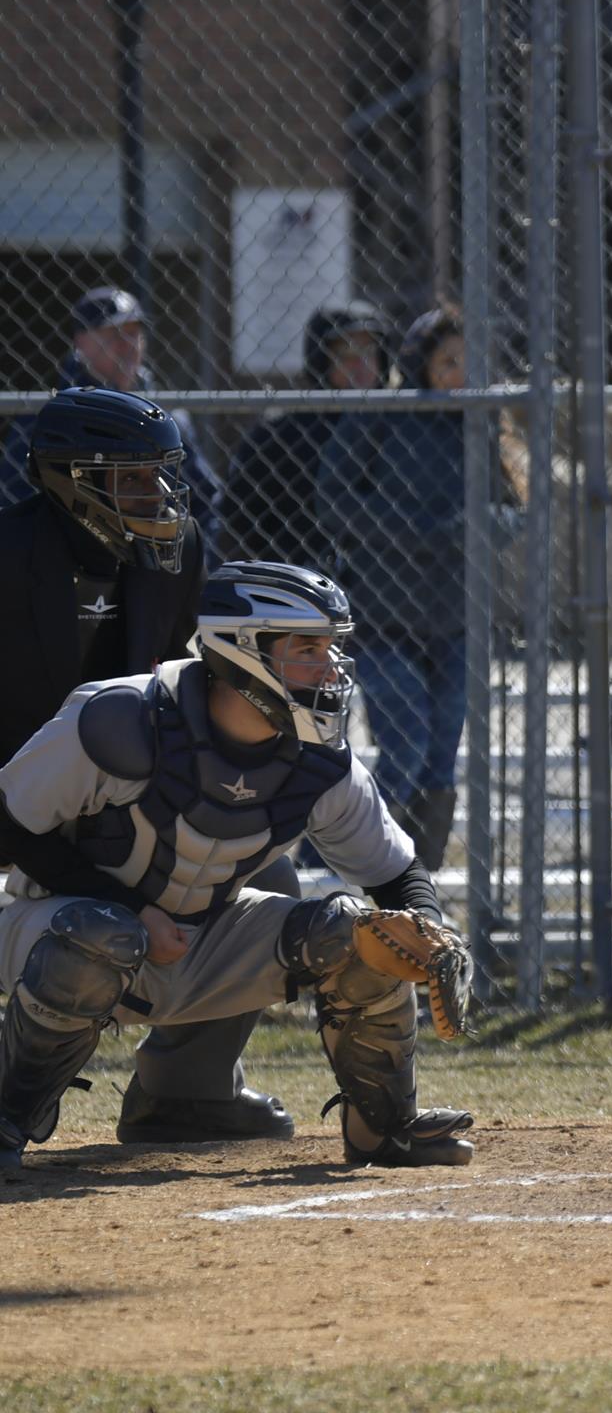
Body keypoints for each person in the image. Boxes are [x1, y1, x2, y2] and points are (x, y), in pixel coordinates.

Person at [0, 561, 474, 1170]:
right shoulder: (121, 718)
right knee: (102, 934)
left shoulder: (318, 755)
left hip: (193, 945)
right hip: (50, 933)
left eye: (331, 648)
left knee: (358, 934)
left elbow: (393, 871)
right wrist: (131, 909)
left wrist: (431, 931)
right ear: (243, 650)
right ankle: (7, 1117)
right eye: (309, 649)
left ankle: (385, 1127)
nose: (331, 668)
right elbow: (8, 823)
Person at [0, 385, 304, 1147]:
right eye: (132, 479)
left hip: (112, 805)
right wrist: (118, 898)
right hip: (12, 803)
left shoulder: (177, 553)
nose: (158, 496)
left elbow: (183, 701)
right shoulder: (6, 559)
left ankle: (184, 1092)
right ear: (72, 482)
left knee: (270, 877)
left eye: (161, 475)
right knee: (89, 925)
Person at [316, 304, 527, 868]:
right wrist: (416, 529)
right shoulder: (383, 416)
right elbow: (333, 501)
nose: (461, 374)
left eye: (471, 362)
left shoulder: (482, 423)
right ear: (420, 365)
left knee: (439, 759)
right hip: (385, 615)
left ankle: (418, 880)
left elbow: (516, 509)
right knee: (405, 743)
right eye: (448, 361)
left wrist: (480, 525)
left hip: (457, 617)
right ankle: (359, 860)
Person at [0, 288, 223, 553]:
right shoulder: (52, 415)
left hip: (153, 557)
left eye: (133, 333)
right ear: (81, 341)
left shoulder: (163, 414)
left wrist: (193, 562)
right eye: (114, 334)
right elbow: (14, 497)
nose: (127, 345)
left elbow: (205, 499)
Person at [222, 301, 392, 570]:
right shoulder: (282, 435)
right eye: (346, 353)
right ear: (321, 359)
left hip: (384, 572)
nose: (360, 364)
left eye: (369, 351)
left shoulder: (398, 426)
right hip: (299, 575)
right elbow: (240, 516)